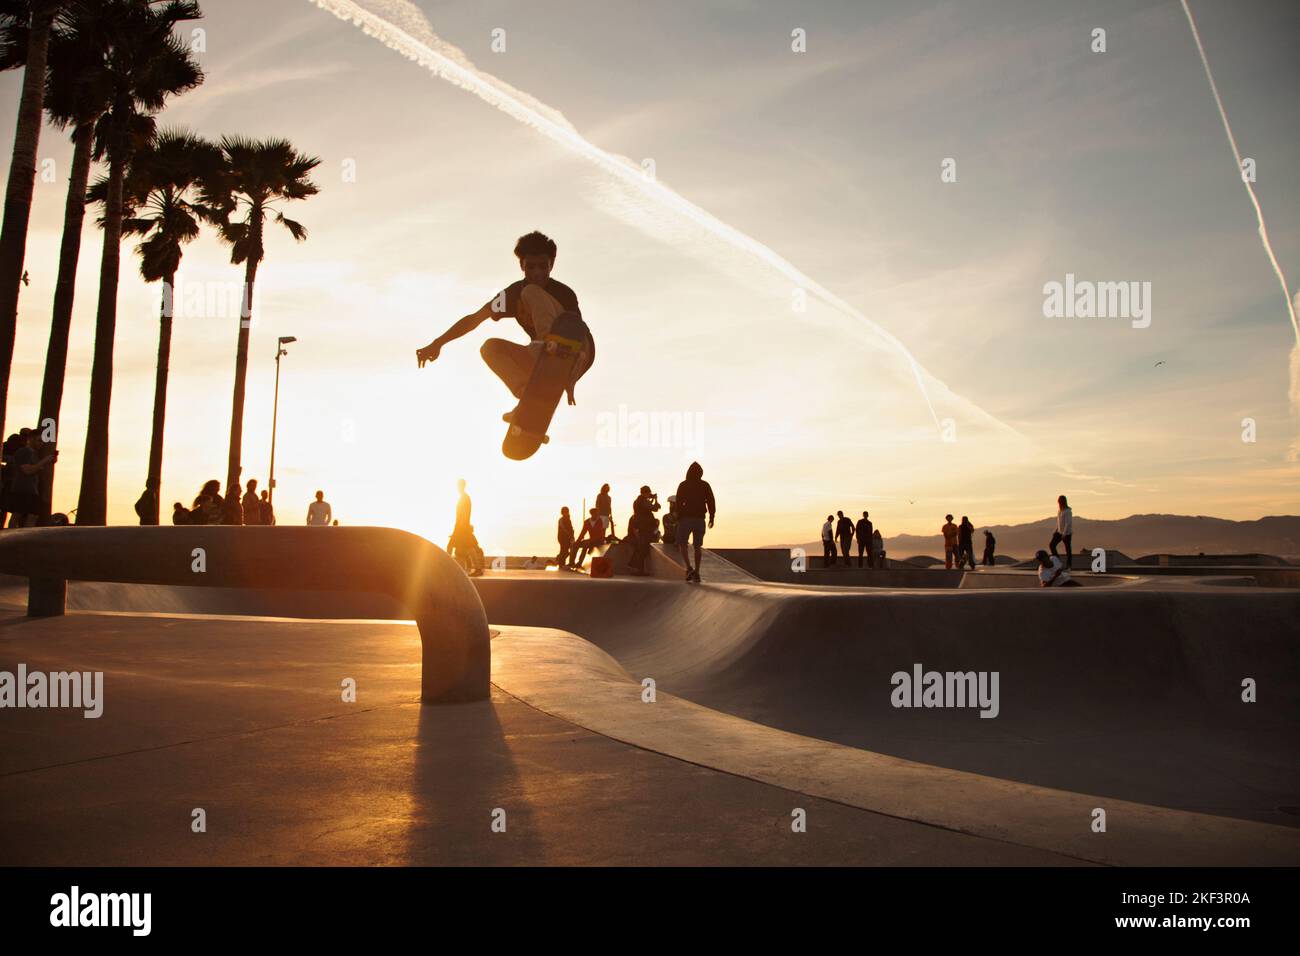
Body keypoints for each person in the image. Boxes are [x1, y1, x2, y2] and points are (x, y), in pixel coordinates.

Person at [416, 230, 595, 424]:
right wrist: (438, 343)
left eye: (543, 267)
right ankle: (527, 395)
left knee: (531, 292)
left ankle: (550, 349)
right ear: (521, 265)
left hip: (578, 350)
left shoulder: (564, 293)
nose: (537, 273)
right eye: (531, 267)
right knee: (491, 348)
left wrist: (572, 377)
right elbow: (474, 319)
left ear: (552, 265)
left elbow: (576, 331)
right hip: (542, 356)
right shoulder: (510, 295)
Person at [5, 429, 57, 527]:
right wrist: (44, 461)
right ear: (30, 439)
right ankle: (12, 537)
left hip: (31, 489)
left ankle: (24, 537)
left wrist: (49, 461)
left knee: (32, 515)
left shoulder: (34, 454)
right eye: (39, 440)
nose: (41, 443)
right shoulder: (23, 452)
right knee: (17, 514)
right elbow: (27, 470)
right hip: (21, 488)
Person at [674, 461, 715, 583]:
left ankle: (689, 568)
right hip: (700, 519)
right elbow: (711, 501)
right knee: (697, 546)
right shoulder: (705, 485)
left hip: (686, 519)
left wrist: (679, 517)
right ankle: (697, 571)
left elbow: (678, 502)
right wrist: (712, 517)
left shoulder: (683, 485)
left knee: (682, 544)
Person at [448, 479, 482, 575]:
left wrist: (460, 528)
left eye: (458, 485)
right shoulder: (463, 497)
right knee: (468, 548)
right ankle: (477, 569)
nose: (457, 487)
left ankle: (446, 566)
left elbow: (463, 513)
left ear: (462, 486)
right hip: (461, 527)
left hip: (461, 527)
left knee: (451, 546)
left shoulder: (464, 498)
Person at [627, 485, 660, 575]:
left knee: (642, 547)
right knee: (643, 548)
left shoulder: (639, 501)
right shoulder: (642, 500)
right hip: (645, 527)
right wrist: (655, 499)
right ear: (646, 492)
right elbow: (656, 508)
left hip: (642, 526)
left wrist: (651, 499)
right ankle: (639, 569)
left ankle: (635, 567)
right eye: (649, 493)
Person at [1050, 495, 1073, 569]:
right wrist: (1056, 530)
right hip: (1059, 532)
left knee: (1068, 549)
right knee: (1052, 545)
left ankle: (1069, 565)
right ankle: (1057, 561)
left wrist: (1064, 534)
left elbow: (1068, 523)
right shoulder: (1059, 511)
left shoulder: (1068, 511)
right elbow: (1059, 522)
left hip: (1067, 533)